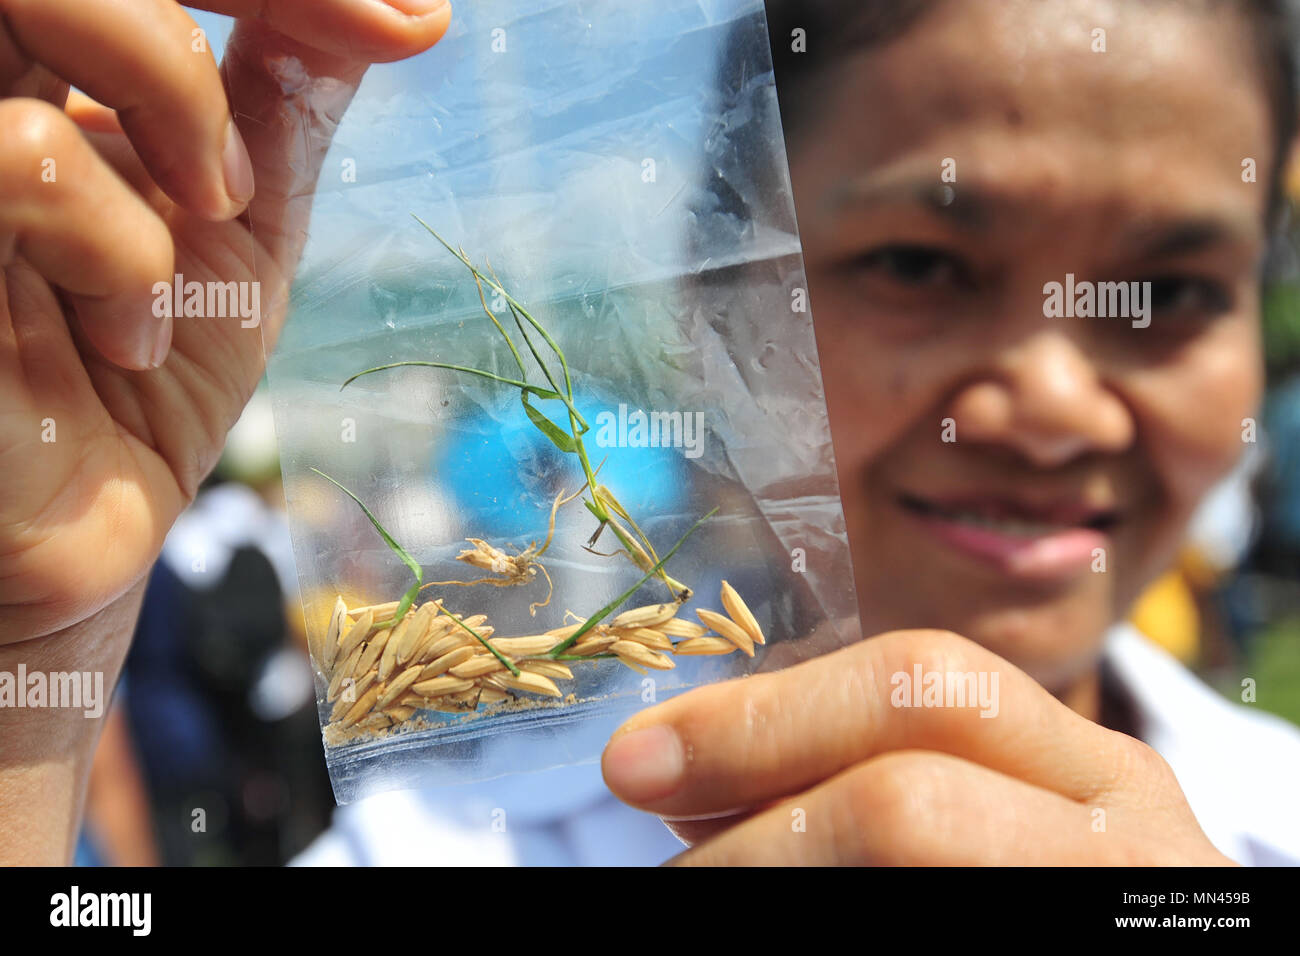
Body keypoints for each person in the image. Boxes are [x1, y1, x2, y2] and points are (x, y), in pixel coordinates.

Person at [3, 0, 1299, 867]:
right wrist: (30, 651)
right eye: (924, 265)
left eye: (1170, 295)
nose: (1057, 404)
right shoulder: (447, 845)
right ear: (715, 313)